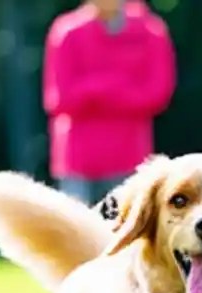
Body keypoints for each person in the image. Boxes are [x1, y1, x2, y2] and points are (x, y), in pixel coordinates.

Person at [43, 0, 176, 205]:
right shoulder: (68, 31)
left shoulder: (150, 32)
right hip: (79, 162)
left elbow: (158, 94)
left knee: (125, 230)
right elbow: (58, 100)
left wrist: (97, 93)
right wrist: (110, 87)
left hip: (128, 158)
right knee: (75, 232)